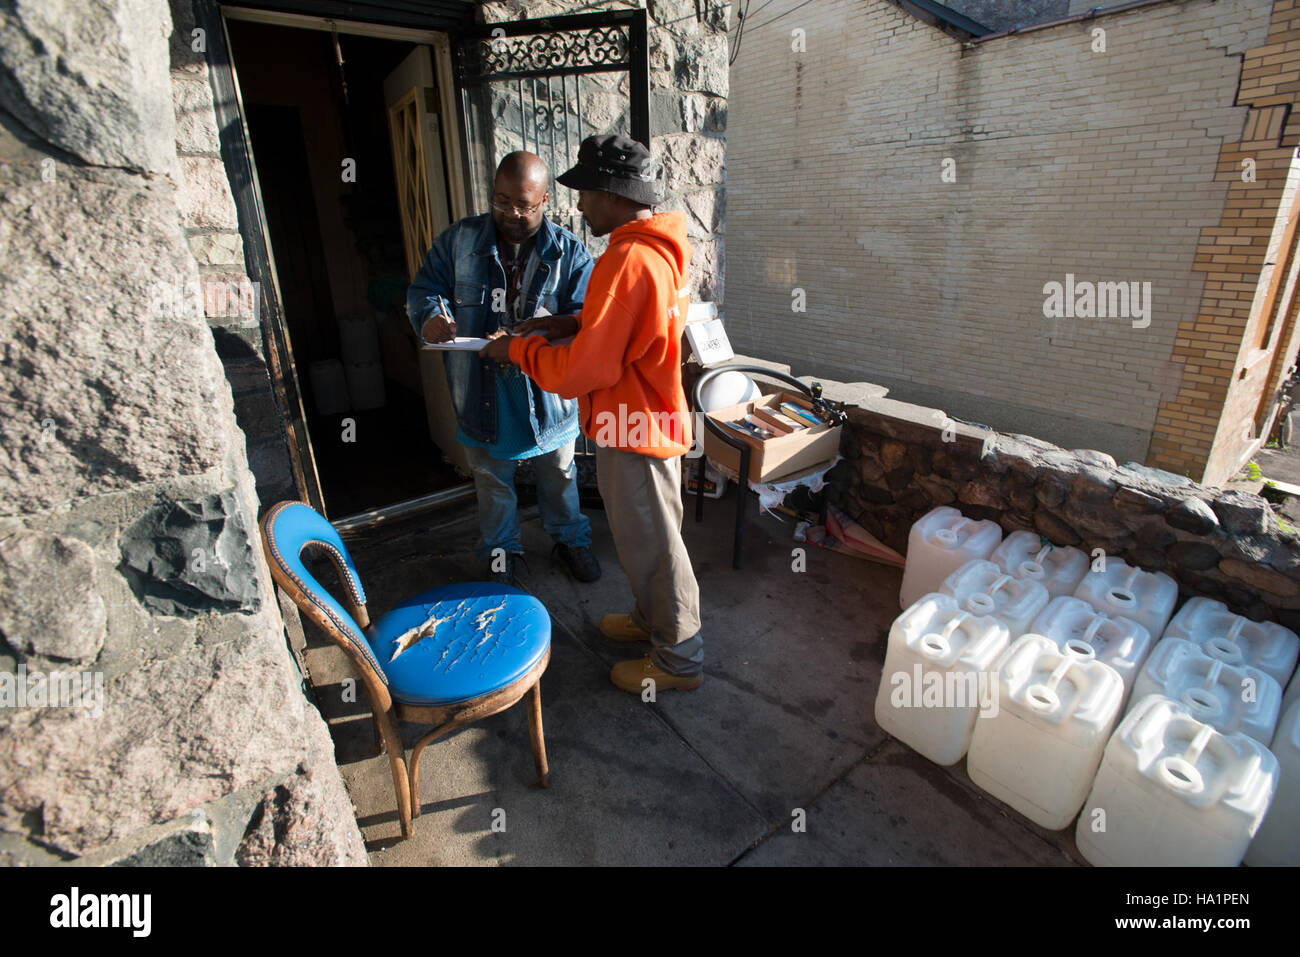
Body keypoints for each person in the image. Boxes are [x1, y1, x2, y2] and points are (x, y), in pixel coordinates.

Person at [480, 134, 704, 693]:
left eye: (584, 192)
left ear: (612, 192)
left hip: (635, 429)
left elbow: (583, 373)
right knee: (642, 539)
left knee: (655, 546)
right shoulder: (657, 248)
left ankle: (679, 660)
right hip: (644, 420)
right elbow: (633, 329)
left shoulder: (626, 260)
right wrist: (571, 323)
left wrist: (517, 349)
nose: (578, 205)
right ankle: (652, 620)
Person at [407, 151, 600, 585]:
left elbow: (587, 317)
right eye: (501, 201)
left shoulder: (569, 252)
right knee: (493, 483)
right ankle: (502, 554)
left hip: (547, 394)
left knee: (559, 477)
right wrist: (431, 315)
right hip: (479, 391)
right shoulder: (459, 241)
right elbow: (424, 288)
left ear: (544, 200)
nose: (511, 213)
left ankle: (570, 539)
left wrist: (548, 330)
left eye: (524, 205)